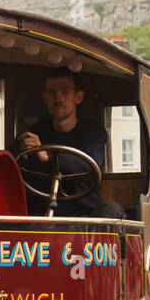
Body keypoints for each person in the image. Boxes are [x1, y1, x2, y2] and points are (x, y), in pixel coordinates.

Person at [10, 70, 124, 218]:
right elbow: (11, 162)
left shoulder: (93, 132)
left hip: (84, 217)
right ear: (45, 98)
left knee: (111, 209)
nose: (58, 98)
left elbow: (88, 167)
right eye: (52, 92)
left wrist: (47, 157)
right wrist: (20, 155)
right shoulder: (35, 132)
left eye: (65, 91)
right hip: (40, 215)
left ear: (78, 97)